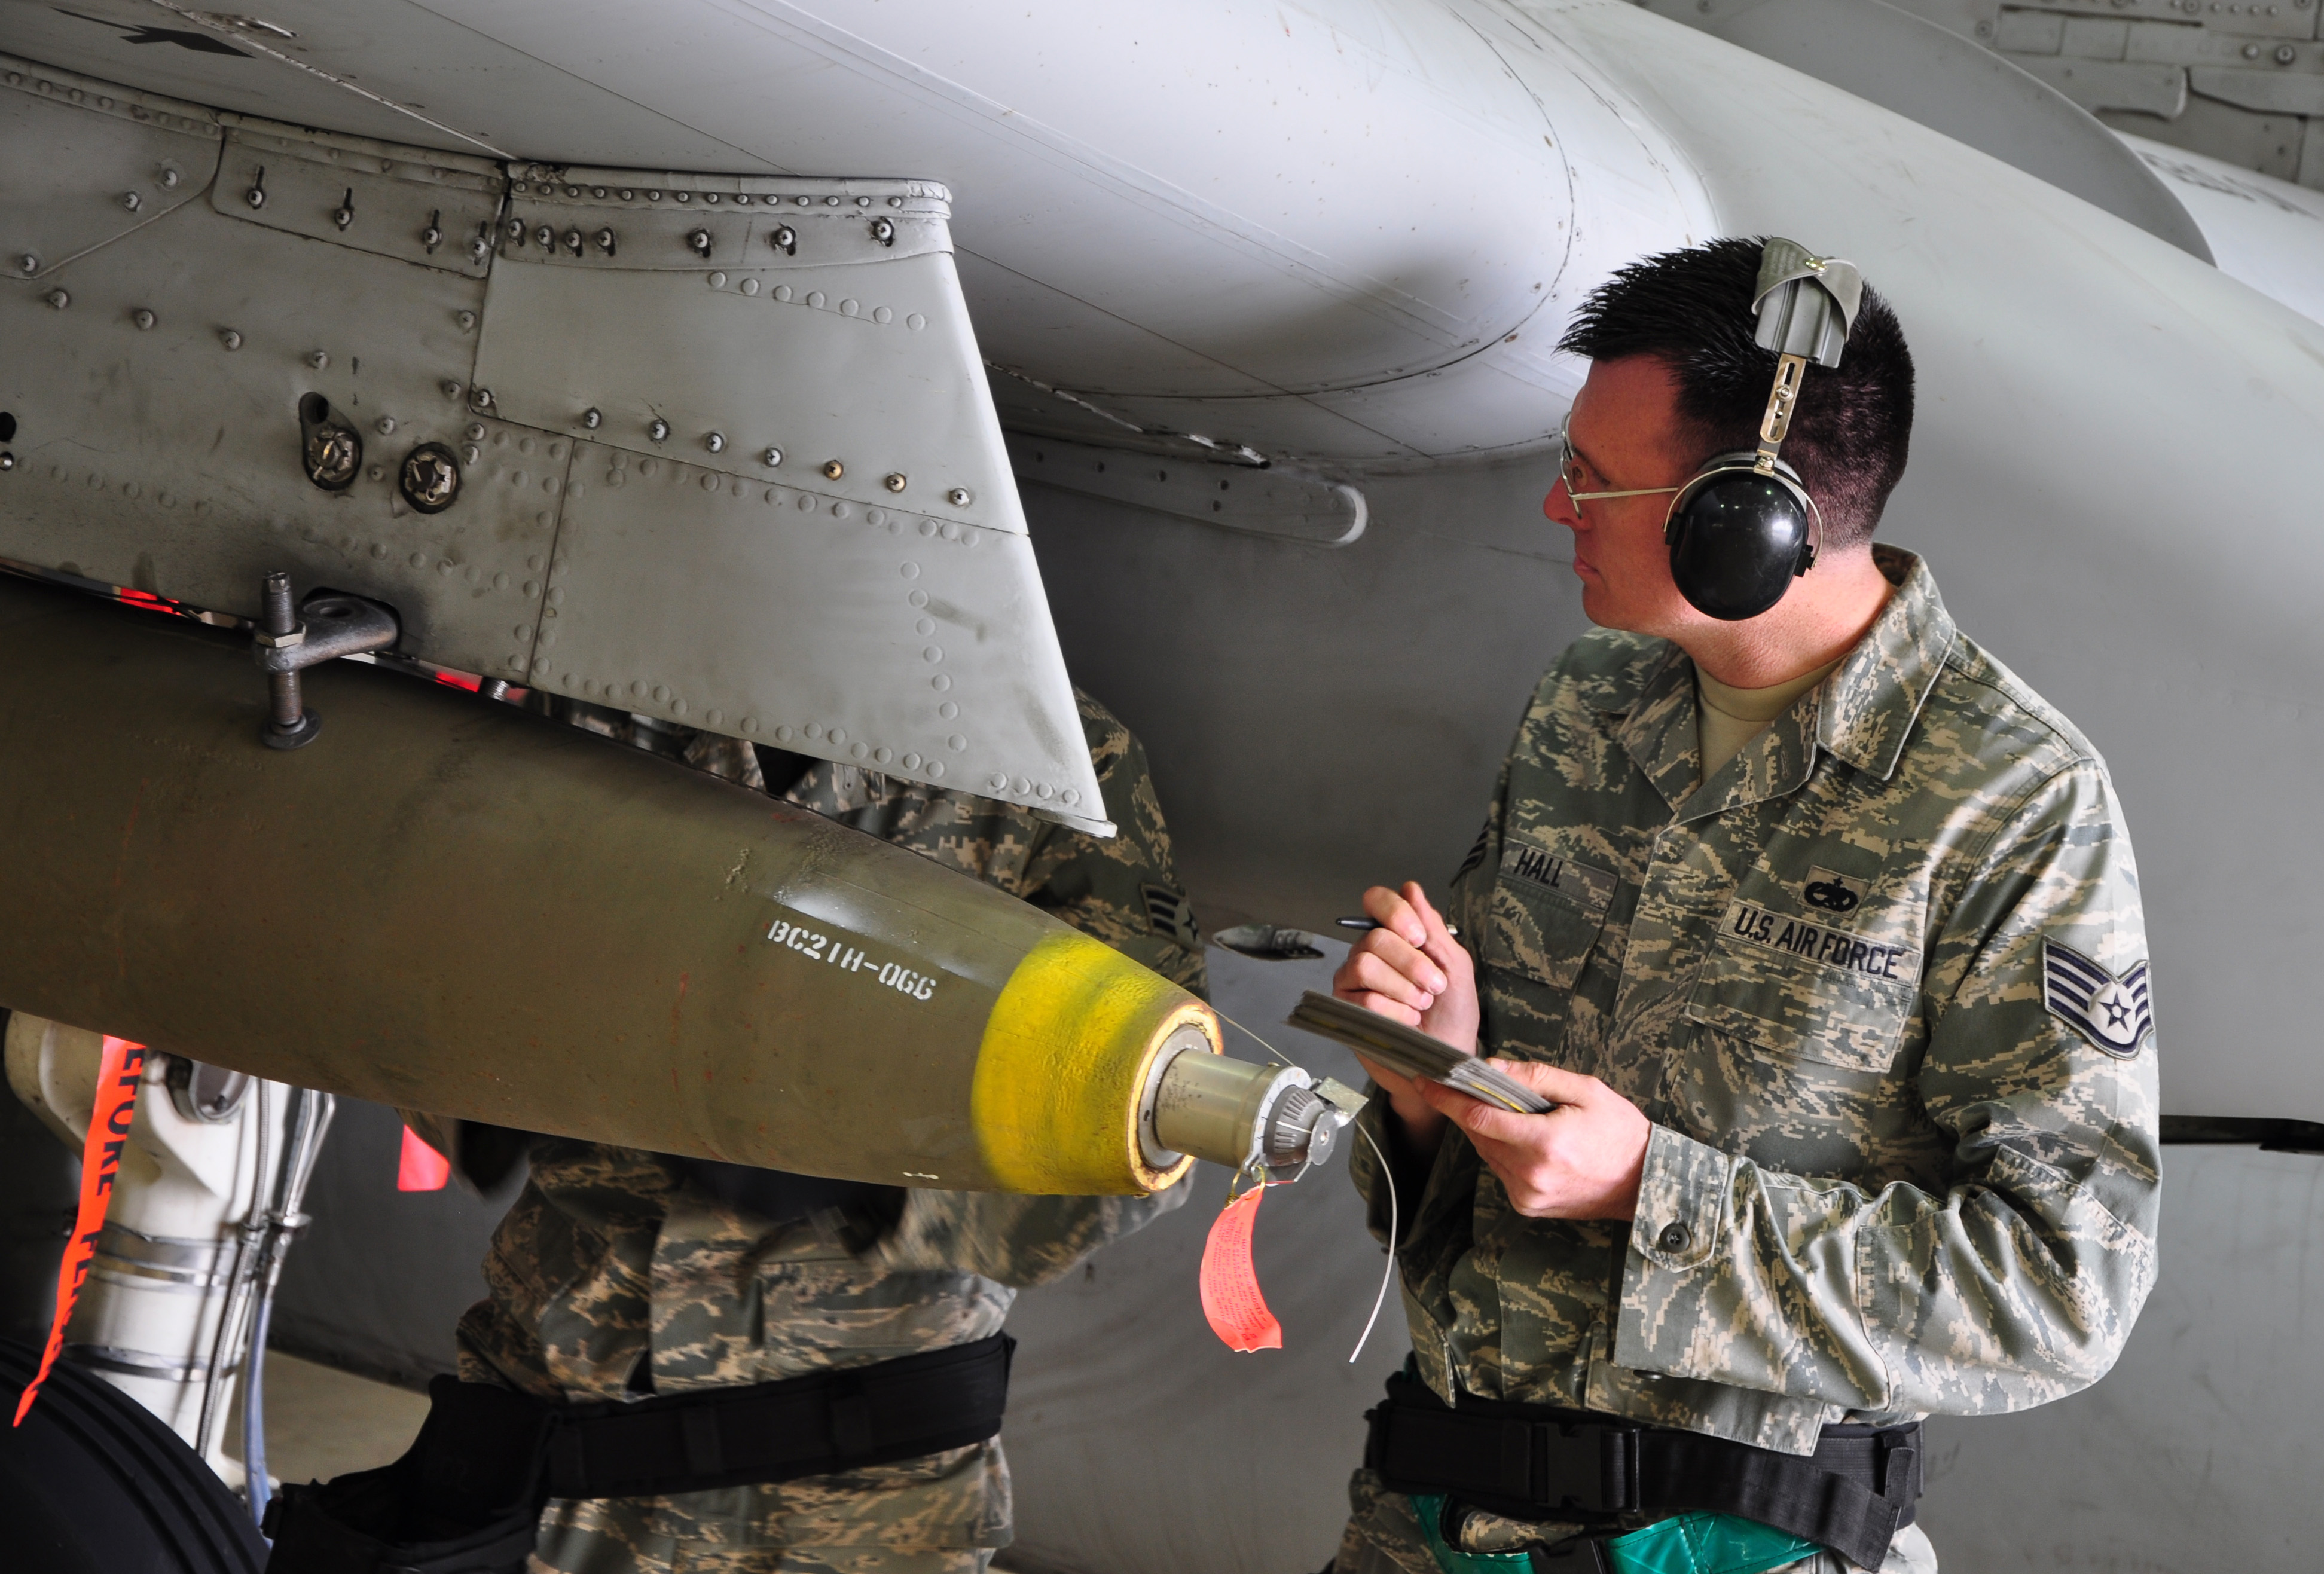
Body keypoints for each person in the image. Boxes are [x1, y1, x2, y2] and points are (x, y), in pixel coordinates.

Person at [1327, 239, 2158, 1574]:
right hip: (1425, 1525)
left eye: (1594, 480)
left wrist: (1652, 1195)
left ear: (1742, 519)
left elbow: (2061, 1293)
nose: (1557, 508)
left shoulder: (2007, 801)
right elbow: (1480, 1192)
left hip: (1731, 1548)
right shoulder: (1586, 704)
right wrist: (1432, 1076)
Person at [447, 688, 1204, 1574]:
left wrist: (872, 1179)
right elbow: (399, 955)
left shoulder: (1054, 758)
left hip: (856, 1487)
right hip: (554, 1420)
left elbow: (1145, 1131)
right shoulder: (600, 687)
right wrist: (465, 1084)